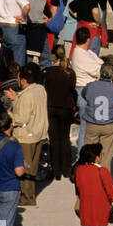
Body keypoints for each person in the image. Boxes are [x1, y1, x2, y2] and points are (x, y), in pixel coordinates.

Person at [10, 62, 47, 206]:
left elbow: (21, 118)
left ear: (24, 80)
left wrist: (9, 114)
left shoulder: (26, 96)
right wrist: (17, 98)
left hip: (26, 136)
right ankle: (29, 194)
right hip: (39, 133)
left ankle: (27, 197)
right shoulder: (40, 90)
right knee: (33, 166)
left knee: (25, 167)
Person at [80, 61, 113, 173]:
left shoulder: (91, 86)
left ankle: (89, 177)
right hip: (109, 125)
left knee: (90, 154)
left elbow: (84, 94)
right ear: (112, 75)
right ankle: (103, 179)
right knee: (106, 155)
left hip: (92, 123)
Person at [44, 44, 75, 182]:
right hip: (66, 108)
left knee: (54, 140)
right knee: (65, 138)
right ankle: (67, 169)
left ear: (54, 56)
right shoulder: (70, 72)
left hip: (51, 107)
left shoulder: (49, 72)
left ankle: (56, 170)